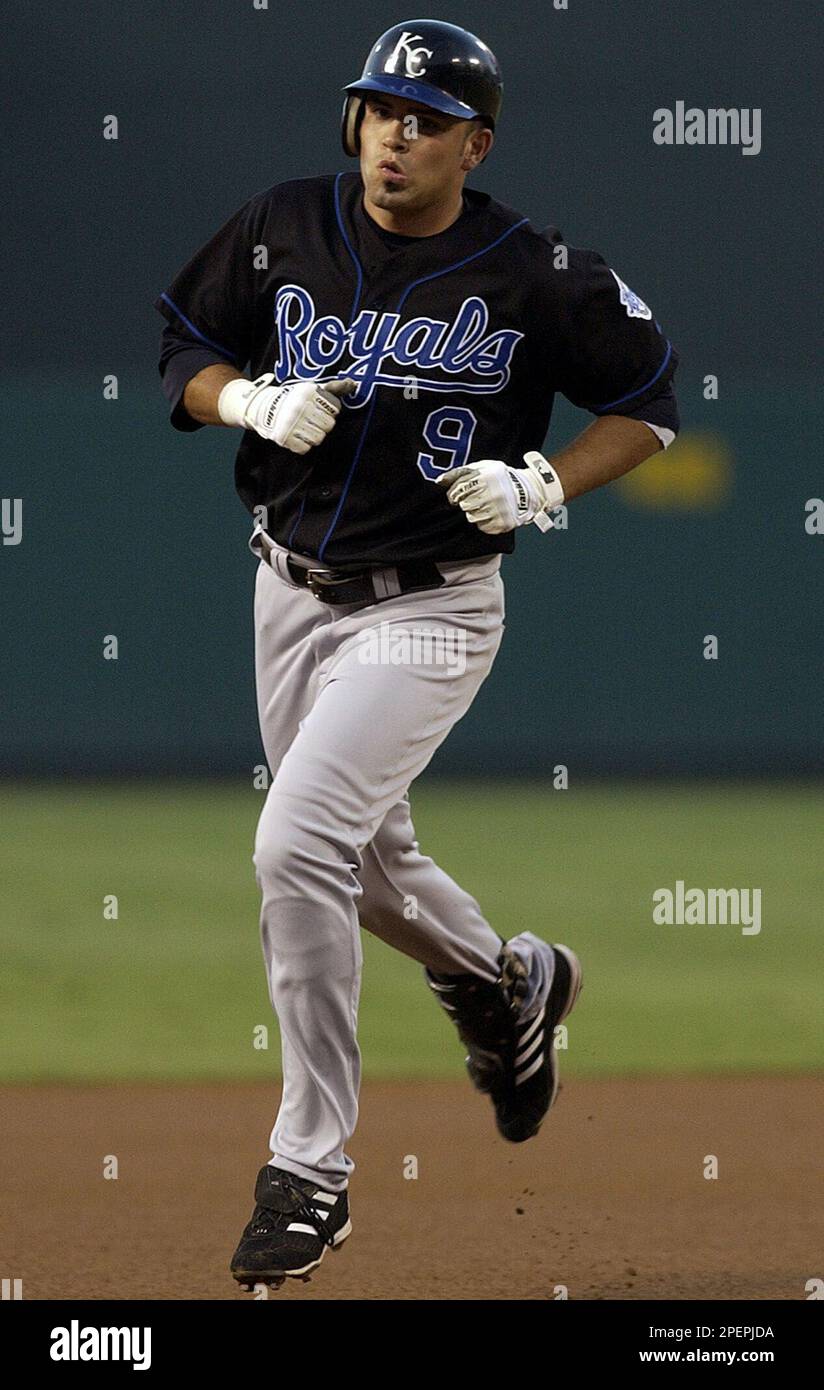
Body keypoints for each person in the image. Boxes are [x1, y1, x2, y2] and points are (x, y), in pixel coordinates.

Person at [154, 18, 679, 1291]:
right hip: (286, 592)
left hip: (431, 608)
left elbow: (651, 405)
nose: (395, 131)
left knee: (297, 842)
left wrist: (543, 479)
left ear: (472, 143)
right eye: (379, 107)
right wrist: (247, 398)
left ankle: (310, 1171)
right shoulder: (282, 222)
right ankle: (508, 986)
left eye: (425, 116)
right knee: (370, 864)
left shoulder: (530, 269)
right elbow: (182, 346)